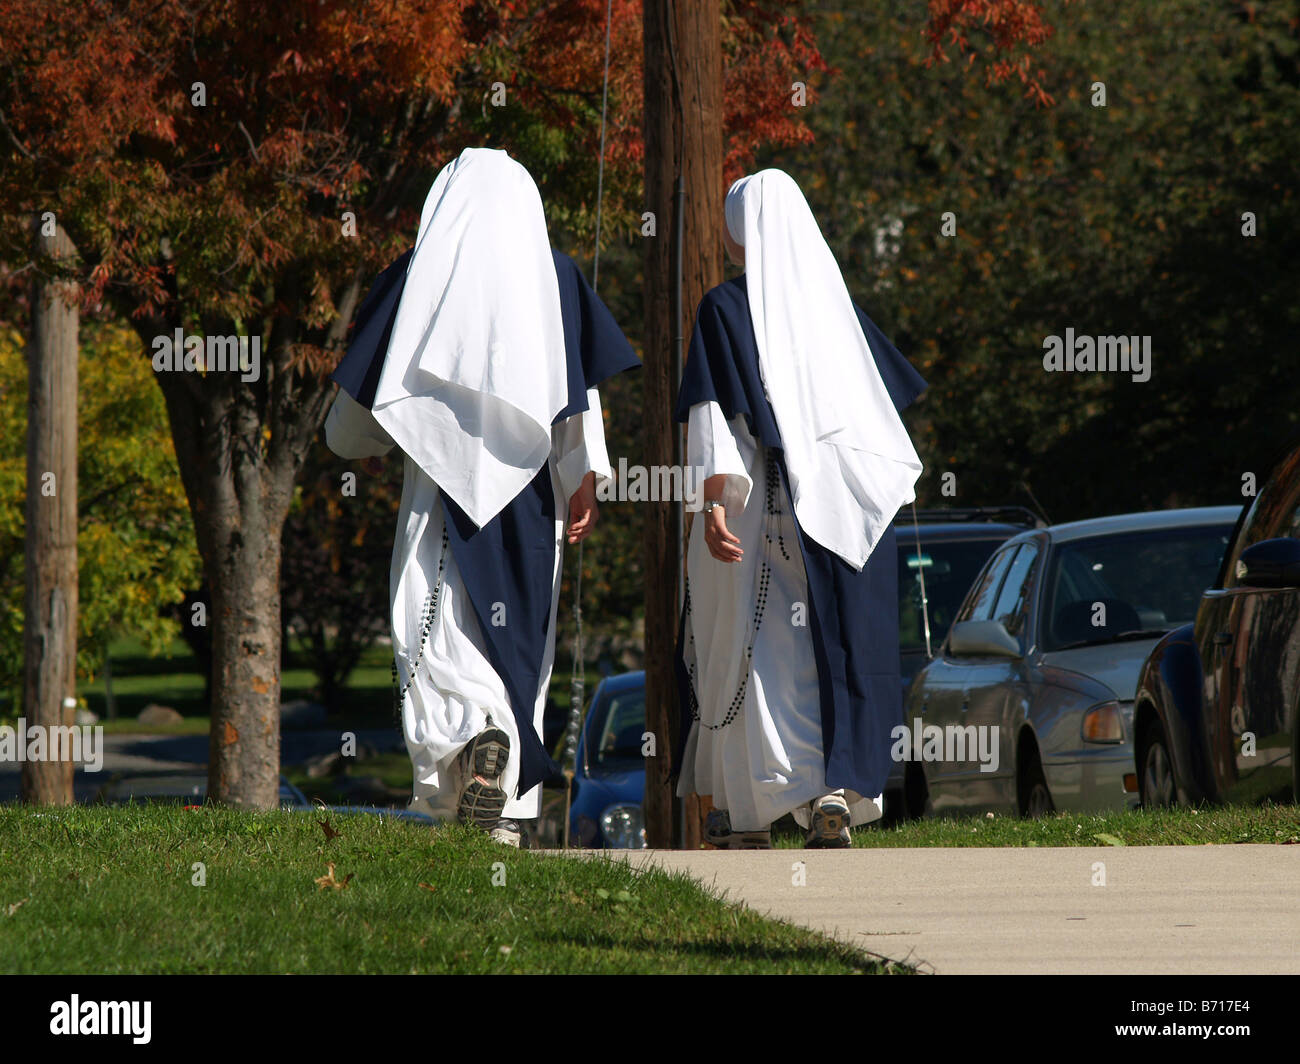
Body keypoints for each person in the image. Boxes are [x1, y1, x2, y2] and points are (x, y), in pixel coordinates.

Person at [325, 147, 639, 847]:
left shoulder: (417, 275)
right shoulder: (556, 278)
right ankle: (500, 803)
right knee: (517, 641)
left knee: (431, 634)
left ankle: (476, 737)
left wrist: (355, 436)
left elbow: (353, 423)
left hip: (438, 495)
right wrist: (584, 473)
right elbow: (577, 390)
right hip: (532, 498)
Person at [674, 168, 926, 849]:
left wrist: (712, 498)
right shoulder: (836, 310)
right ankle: (833, 793)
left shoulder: (725, 308)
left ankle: (765, 803)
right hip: (848, 519)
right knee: (833, 650)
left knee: (762, 652)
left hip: (766, 512)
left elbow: (712, 414)